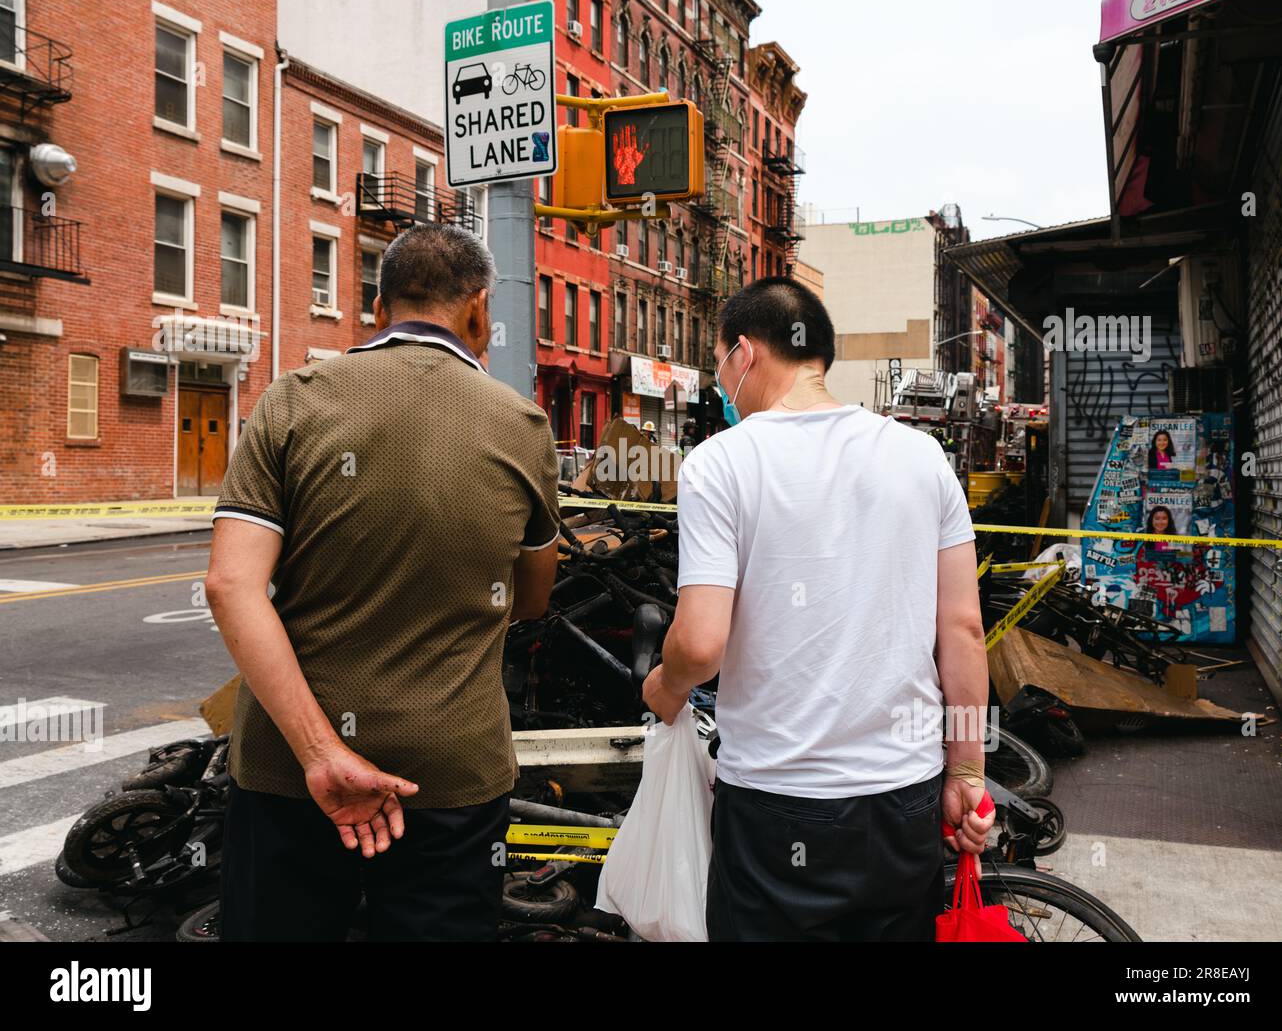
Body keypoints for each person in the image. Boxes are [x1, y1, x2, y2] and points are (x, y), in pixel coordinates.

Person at [205, 223, 560, 941]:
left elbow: (230, 585)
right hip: (451, 773)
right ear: (479, 311)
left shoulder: (289, 402)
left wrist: (322, 753)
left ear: (376, 309)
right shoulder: (522, 425)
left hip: (289, 774)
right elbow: (531, 597)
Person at [641, 277, 995, 942]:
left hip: (776, 808)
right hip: (901, 804)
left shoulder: (720, 465)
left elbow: (700, 642)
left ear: (744, 354)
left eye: (720, 363)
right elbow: (963, 629)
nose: (722, 383)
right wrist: (967, 767)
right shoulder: (923, 457)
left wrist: (664, 684)